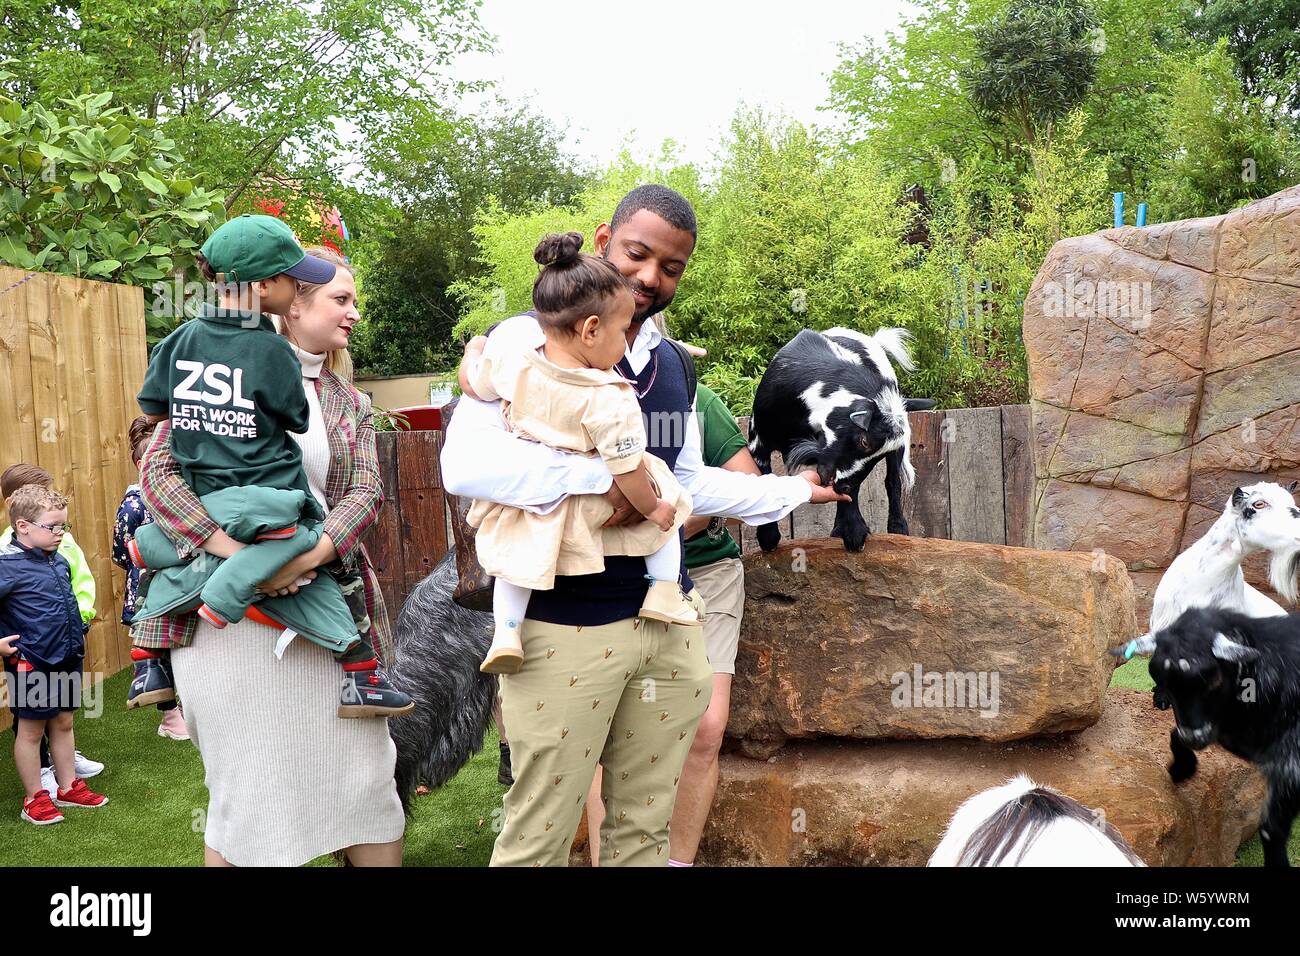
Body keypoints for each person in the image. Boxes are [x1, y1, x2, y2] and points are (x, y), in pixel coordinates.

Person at [441, 184, 849, 866]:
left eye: (671, 267)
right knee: (537, 835)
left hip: (666, 624)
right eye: (638, 254)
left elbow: (685, 478)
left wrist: (789, 491)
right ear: (604, 239)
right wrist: (608, 483)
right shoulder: (525, 340)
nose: (651, 277)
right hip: (561, 627)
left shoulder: (674, 366)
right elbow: (466, 465)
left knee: (642, 835)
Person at [132, 247, 406, 866]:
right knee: (247, 799)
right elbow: (159, 472)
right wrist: (233, 555)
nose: (354, 313)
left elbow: (365, 490)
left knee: (366, 790)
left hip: (331, 616)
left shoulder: (349, 403)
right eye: (341, 298)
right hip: (231, 631)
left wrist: (306, 560)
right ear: (292, 298)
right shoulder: (215, 369)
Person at [461, 232, 702, 675]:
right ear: (591, 329)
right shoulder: (608, 394)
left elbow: (474, 384)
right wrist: (654, 507)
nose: (625, 346)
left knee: (516, 565)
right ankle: (665, 591)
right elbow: (626, 470)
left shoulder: (516, 361)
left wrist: (474, 351)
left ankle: (506, 632)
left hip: (529, 504)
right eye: (620, 333)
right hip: (591, 509)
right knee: (667, 498)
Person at [586, 382, 754, 866]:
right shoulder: (585, 397)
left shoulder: (699, 401)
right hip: (614, 574)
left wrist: (661, 523)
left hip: (704, 570)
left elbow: (743, 481)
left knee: (706, 726)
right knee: (605, 731)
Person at [0, 485, 108, 824]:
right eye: (53, 526)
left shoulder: (59, 561)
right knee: (31, 731)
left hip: (67, 657)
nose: (60, 533)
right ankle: (35, 799)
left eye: (64, 526)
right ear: (23, 526)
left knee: (63, 722)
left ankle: (68, 786)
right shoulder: (7, 566)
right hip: (30, 663)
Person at [112, 417, 189, 741]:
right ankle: (169, 716)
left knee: (179, 648)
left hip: (180, 586)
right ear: (145, 464)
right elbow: (121, 553)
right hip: (147, 593)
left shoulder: (176, 500)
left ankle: (183, 707)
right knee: (158, 654)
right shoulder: (133, 507)